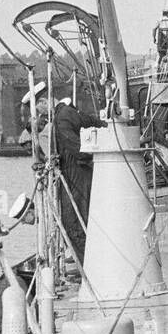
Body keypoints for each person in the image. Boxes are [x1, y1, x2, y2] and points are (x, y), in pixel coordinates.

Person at [52, 91, 107, 261]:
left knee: (73, 223)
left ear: (43, 102)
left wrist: (89, 156)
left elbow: (77, 148)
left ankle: (89, 265)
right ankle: (90, 261)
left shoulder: (61, 118)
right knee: (83, 219)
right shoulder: (73, 112)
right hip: (82, 173)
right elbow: (96, 123)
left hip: (74, 174)